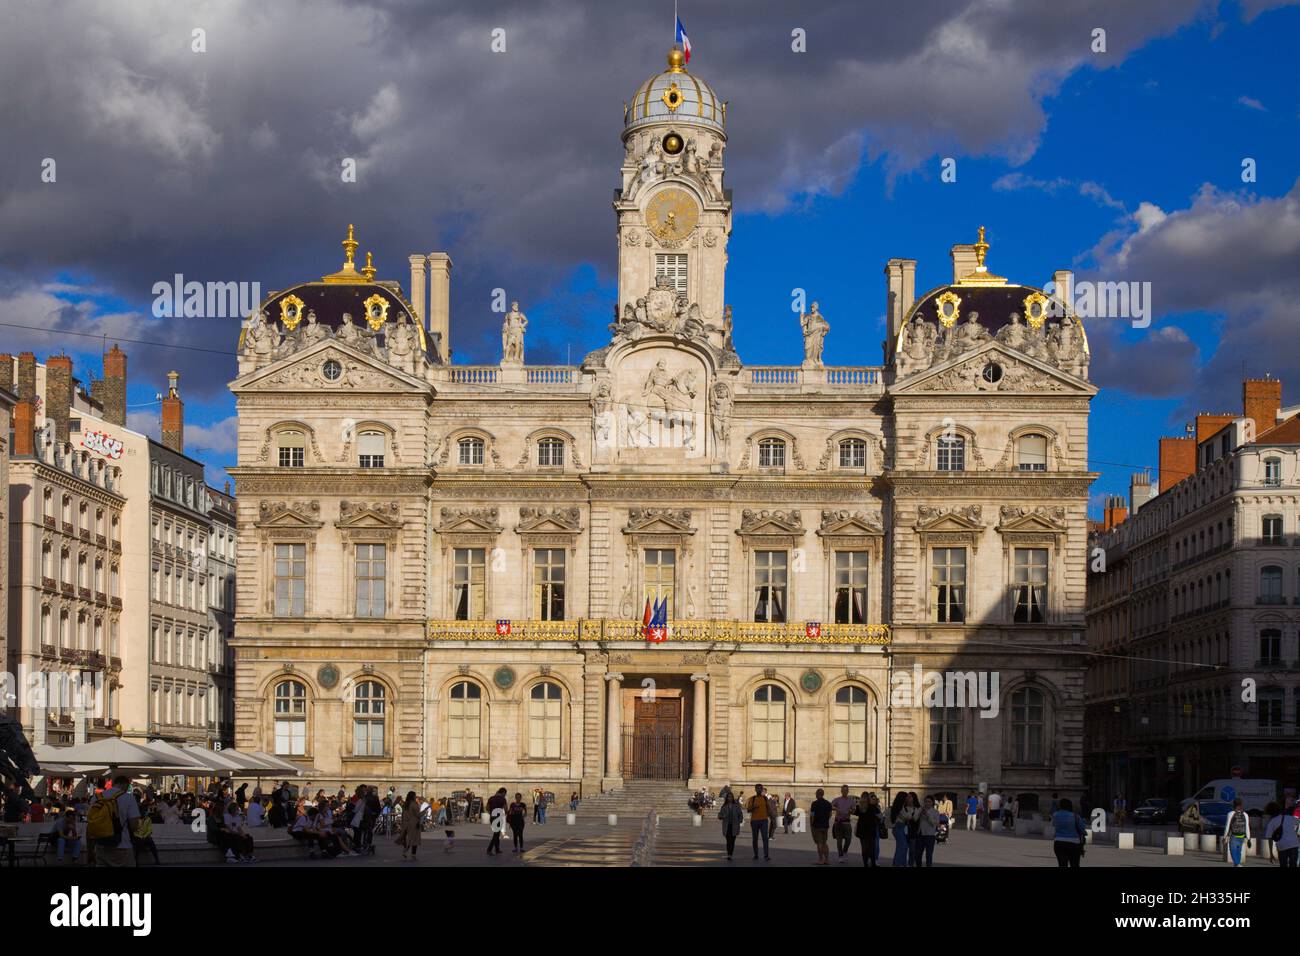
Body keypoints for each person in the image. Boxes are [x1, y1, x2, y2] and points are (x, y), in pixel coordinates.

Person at [91, 774, 141, 867]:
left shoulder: (96, 797)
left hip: (101, 845)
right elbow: (134, 824)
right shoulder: (128, 798)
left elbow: (91, 822)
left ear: (113, 784)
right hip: (122, 845)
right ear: (126, 785)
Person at [1050, 797, 1086, 867]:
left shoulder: (1055, 815)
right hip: (1074, 843)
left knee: (1062, 864)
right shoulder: (1075, 816)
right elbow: (1082, 828)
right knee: (1074, 864)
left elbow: (1053, 824)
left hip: (1059, 842)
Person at [1264, 801, 1299, 868]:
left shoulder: (1272, 822)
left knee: (1283, 865)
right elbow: (1298, 822)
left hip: (1282, 846)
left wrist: (1271, 853)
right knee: (1293, 864)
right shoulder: (1289, 818)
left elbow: (1270, 838)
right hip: (1294, 844)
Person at [853, 792, 881, 867]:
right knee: (871, 847)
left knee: (864, 848)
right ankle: (873, 863)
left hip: (862, 829)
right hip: (871, 829)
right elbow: (879, 814)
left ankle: (866, 863)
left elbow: (854, 812)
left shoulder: (859, 807)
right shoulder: (872, 806)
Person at [830, 784, 856, 862]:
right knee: (839, 840)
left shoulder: (851, 801)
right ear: (841, 791)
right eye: (843, 790)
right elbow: (831, 806)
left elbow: (854, 809)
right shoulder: (837, 799)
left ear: (848, 791)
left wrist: (851, 811)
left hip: (847, 822)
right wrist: (836, 808)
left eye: (846, 790)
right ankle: (840, 856)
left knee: (848, 839)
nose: (845, 791)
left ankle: (845, 851)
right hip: (838, 822)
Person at [745, 784, 771, 861]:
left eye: (760, 788)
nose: (759, 790)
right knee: (755, 839)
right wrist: (753, 807)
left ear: (762, 789)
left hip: (764, 820)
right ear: (755, 790)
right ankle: (756, 854)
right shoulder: (752, 799)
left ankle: (766, 855)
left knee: (765, 839)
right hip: (754, 821)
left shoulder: (765, 798)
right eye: (758, 788)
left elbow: (768, 809)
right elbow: (748, 810)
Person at [914, 796, 942, 867]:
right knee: (918, 854)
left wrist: (927, 815)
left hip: (930, 835)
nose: (927, 803)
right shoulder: (920, 809)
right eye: (926, 801)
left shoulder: (935, 812)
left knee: (929, 855)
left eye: (929, 801)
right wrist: (919, 813)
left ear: (932, 803)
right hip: (920, 834)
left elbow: (934, 823)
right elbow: (915, 819)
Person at [1223, 798, 1250, 867]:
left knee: (1233, 852)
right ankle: (1237, 864)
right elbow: (1247, 827)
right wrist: (1249, 838)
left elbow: (1227, 826)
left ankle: (1237, 864)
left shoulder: (1231, 814)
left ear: (1233, 805)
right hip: (1242, 836)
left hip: (1234, 836)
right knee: (1238, 852)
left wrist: (1224, 837)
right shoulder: (1245, 814)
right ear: (1241, 805)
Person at [809, 788, 833, 865]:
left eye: (816, 793)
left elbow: (812, 815)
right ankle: (826, 859)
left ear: (817, 794)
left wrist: (812, 824)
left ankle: (820, 859)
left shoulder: (814, 803)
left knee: (819, 843)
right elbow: (830, 815)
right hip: (825, 825)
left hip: (817, 826)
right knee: (824, 842)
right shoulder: (828, 803)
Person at [718, 790, 744, 861]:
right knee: (728, 841)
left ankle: (731, 854)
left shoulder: (736, 806)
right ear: (727, 798)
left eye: (731, 797)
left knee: (732, 841)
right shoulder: (724, 806)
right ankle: (729, 854)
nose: (730, 798)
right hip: (727, 826)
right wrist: (722, 816)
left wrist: (740, 820)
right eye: (728, 797)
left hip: (734, 825)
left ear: (732, 798)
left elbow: (740, 814)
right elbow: (719, 815)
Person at [890, 793, 912, 866]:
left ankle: (900, 863)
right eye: (907, 797)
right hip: (899, 827)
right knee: (902, 846)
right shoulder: (900, 808)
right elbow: (908, 817)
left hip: (899, 827)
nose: (909, 799)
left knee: (902, 846)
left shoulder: (900, 807)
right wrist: (911, 809)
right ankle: (898, 863)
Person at [398, 791, 422, 861]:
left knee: (409, 838)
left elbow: (404, 815)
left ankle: (405, 851)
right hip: (414, 824)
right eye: (415, 795)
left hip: (407, 823)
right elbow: (418, 815)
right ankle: (413, 854)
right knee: (415, 839)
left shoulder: (405, 804)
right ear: (413, 796)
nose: (415, 797)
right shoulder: (414, 804)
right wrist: (424, 811)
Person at [486, 787, 508, 855]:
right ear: (503, 793)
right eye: (505, 794)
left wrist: (491, 813)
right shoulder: (502, 799)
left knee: (496, 833)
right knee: (496, 834)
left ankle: (497, 849)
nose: (505, 795)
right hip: (498, 817)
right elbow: (505, 808)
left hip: (492, 817)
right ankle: (489, 849)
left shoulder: (491, 798)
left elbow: (487, 807)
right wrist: (506, 814)